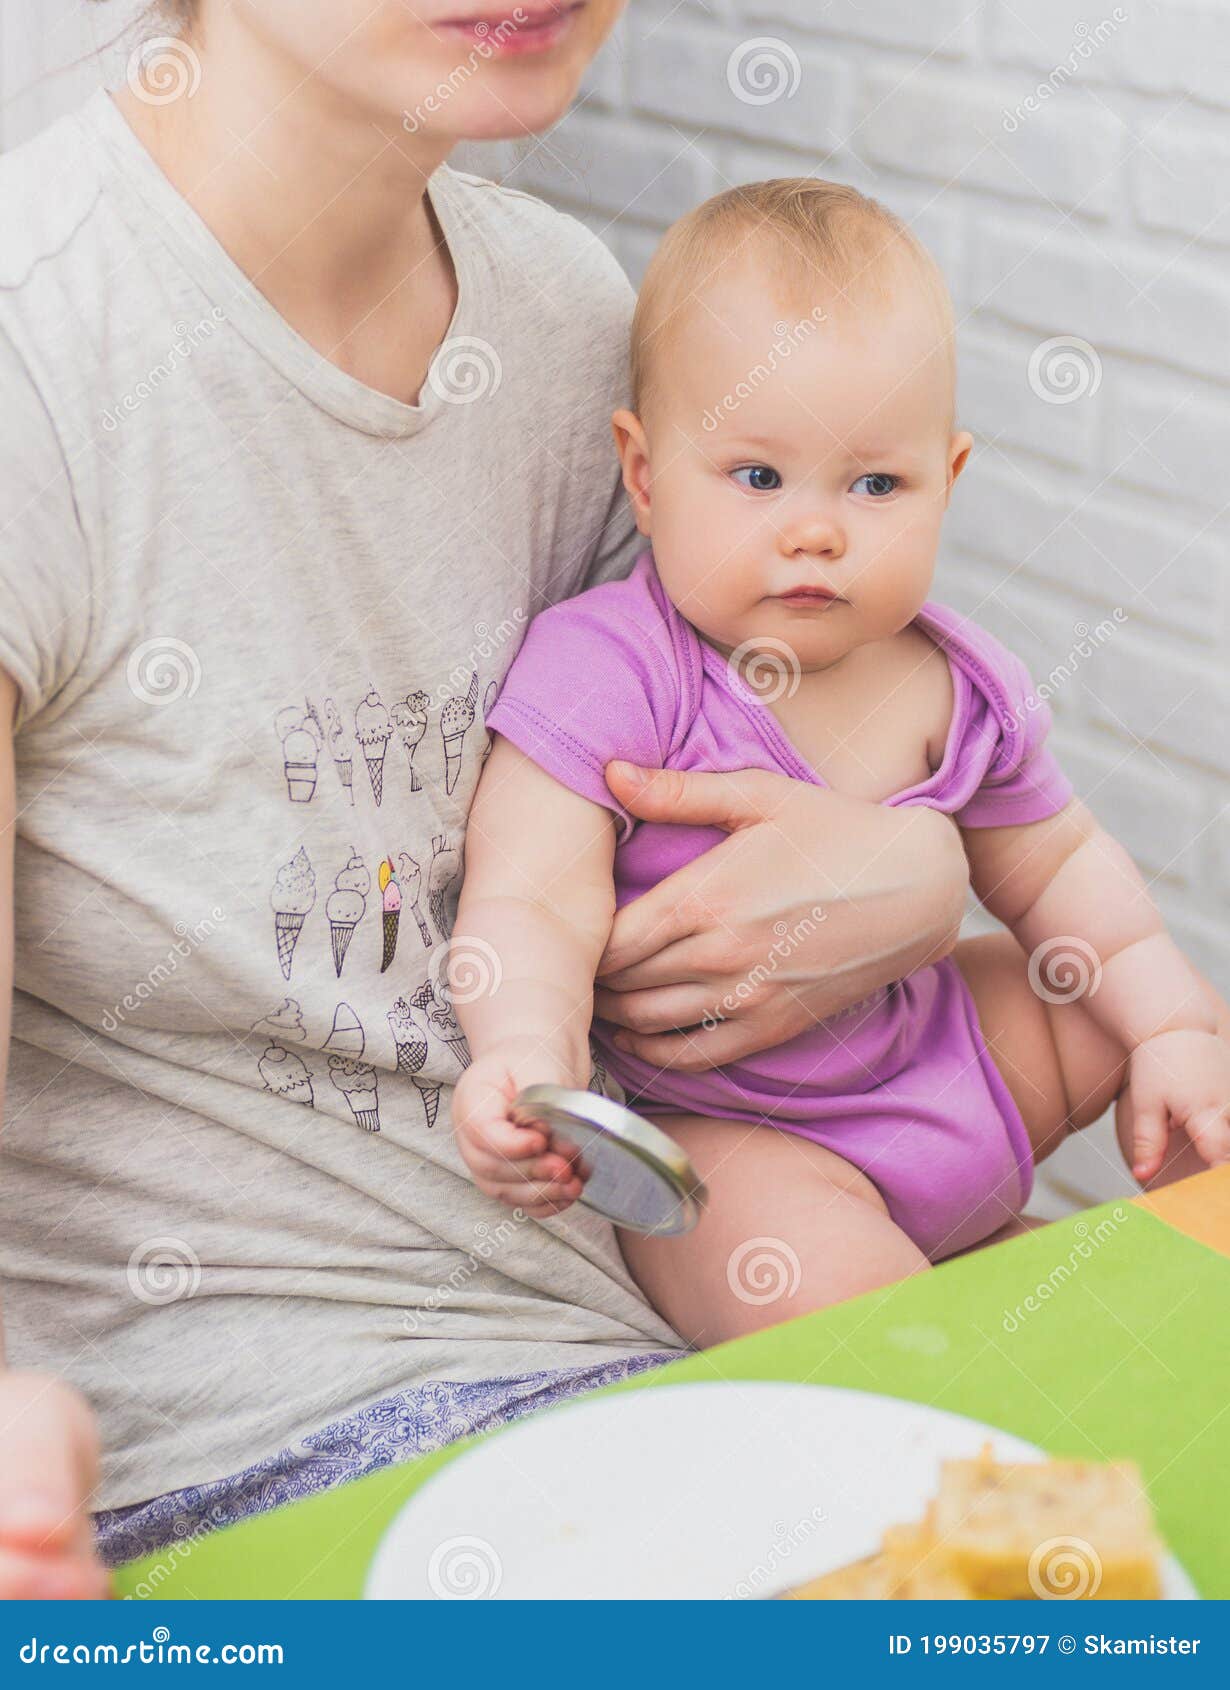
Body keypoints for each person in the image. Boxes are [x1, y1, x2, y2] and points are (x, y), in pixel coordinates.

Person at [0, 2, 976, 1597]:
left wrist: (924, 866)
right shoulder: (35, 352)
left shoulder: (560, 314)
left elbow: (698, 787)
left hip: (629, 1333)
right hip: (245, 1449)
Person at [452, 179, 1230, 1344]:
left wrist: (1171, 1025)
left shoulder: (954, 682)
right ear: (647, 472)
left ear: (949, 481)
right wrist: (524, 1054)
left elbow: (1062, 868)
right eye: (759, 477)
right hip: (749, 1133)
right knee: (801, 1275)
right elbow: (527, 895)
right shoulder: (612, 666)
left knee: (1105, 1000)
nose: (818, 529)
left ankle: (1175, 1261)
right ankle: (906, 1339)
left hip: (949, 1064)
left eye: (877, 484)